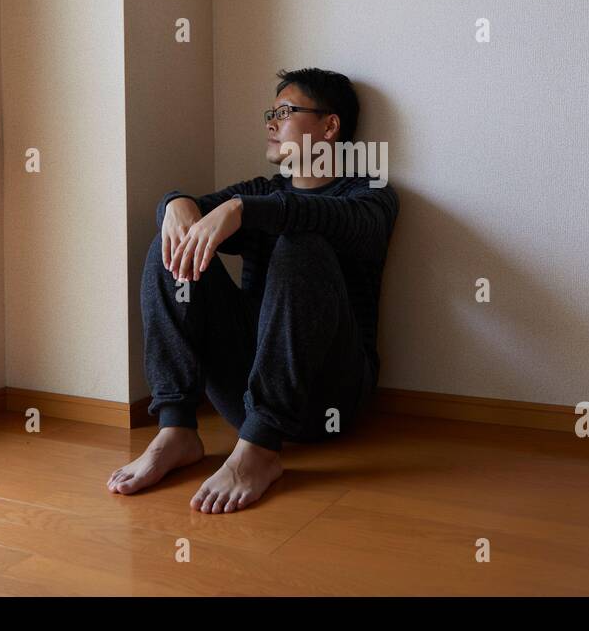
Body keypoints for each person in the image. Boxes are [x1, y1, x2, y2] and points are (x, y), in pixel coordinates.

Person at [107, 67, 399, 514]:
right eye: (271, 112)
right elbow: (189, 213)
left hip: (329, 398)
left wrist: (242, 210)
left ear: (329, 125)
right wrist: (176, 204)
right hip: (246, 395)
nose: (270, 122)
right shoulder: (259, 192)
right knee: (171, 241)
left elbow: (328, 220)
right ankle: (176, 429)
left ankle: (261, 450)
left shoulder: (370, 193)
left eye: (285, 111)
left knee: (300, 242)